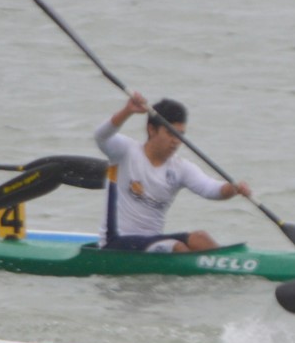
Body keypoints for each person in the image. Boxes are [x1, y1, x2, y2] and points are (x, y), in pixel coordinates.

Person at [93, 91, 250, 252]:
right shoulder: (124, 151)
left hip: (151, 241)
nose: (176, 141)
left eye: (180, 135)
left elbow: (211, 189)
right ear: (152, 130)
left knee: (200, 238)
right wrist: (128, 111)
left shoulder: (180, 168)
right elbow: (101, 136)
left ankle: (231, 271)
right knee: (178, 248)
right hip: (116, 241)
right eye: (170, 133)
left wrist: (233, 189)